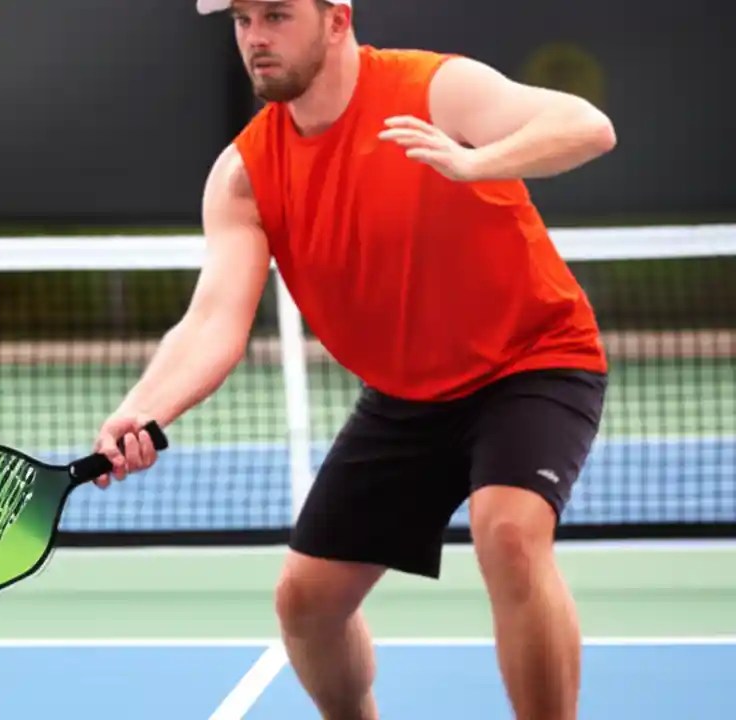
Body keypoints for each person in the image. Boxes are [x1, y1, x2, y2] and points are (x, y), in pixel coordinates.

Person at [90, 1, 617, 718]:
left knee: (511, 536)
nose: (256, 38)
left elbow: (587, 126)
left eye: (276, 15)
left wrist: (474, 163)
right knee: (306, 603)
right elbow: (214, 318)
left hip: (530, 360)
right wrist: (143, 407)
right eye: (243, 20)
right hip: (407, 394)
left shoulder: (435, 90)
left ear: (337, 20)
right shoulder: (245, 174)